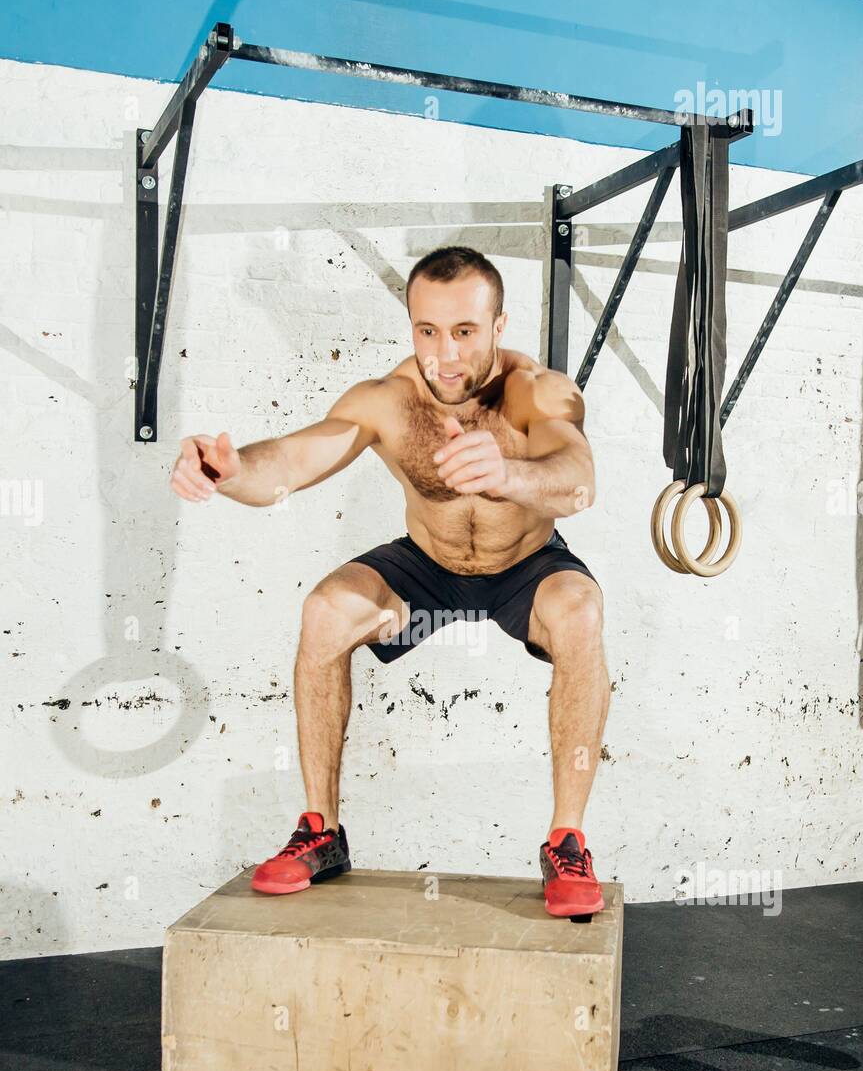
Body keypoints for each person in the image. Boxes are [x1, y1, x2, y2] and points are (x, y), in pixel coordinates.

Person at [169, 246, 610, 916]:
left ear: (499, 326)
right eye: (427, 331)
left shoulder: (537, 392)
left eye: (465, 331)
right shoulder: (388, 401)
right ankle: (320, 832)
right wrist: (227, 472)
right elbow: (290, 462)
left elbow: (579, 481)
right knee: (326, 609)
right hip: (428, 569)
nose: (445, 354)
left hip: (526, 567)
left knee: (580, 609)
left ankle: (567, 841)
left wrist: (509, 475)